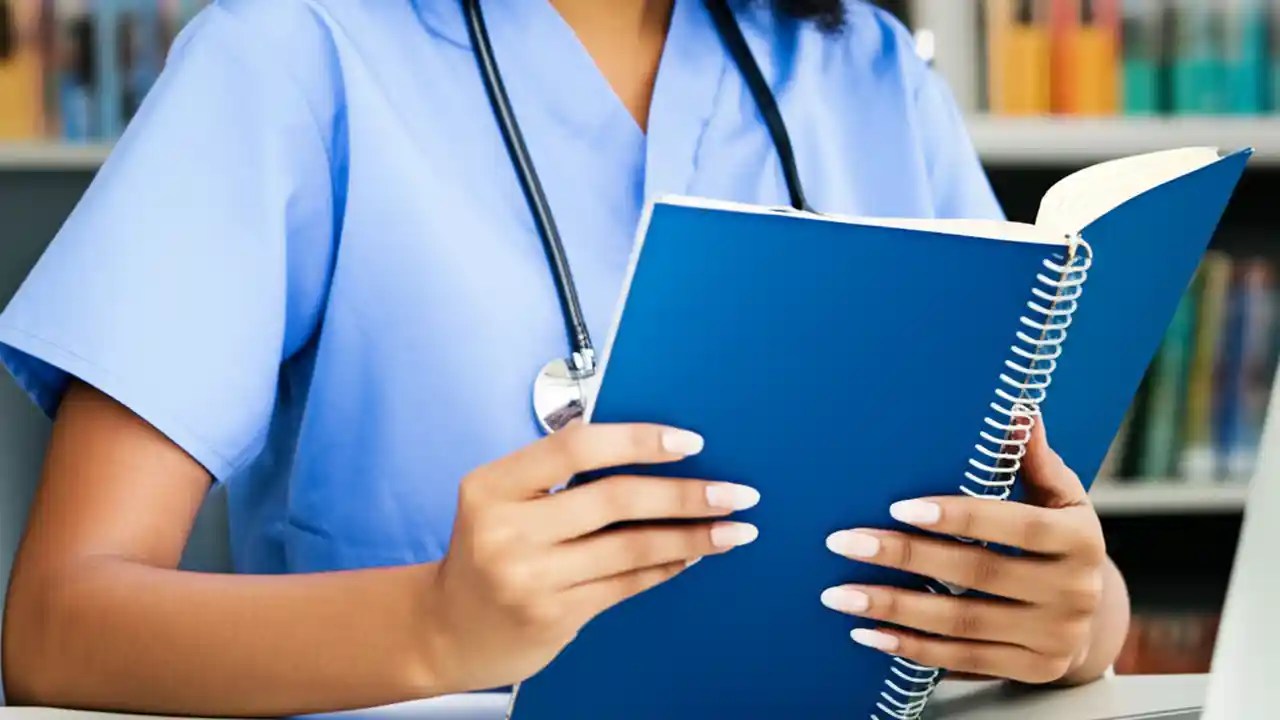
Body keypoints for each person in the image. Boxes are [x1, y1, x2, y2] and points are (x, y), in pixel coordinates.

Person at [0, 0, 1130, 714]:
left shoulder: (870, 73)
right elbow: (57, 630)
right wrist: (433, 627)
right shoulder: (288, 52)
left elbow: (1043, 538)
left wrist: (1077, 625)